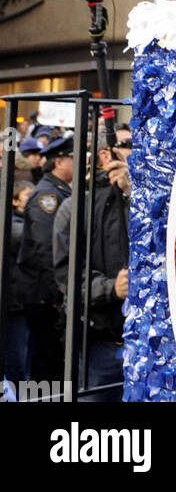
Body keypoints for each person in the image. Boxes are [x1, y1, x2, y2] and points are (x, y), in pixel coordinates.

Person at [53, 140, 131, 402]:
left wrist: (134, 194)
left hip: (144, 340)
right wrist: (111, 288)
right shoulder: (74, 208)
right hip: (100, 341)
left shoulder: (138, 200)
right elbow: (67, 277)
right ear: (105, 156)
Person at [17, 134, 73, 383]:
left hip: (50, 292)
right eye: (72, 157)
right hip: (44, 295)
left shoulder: (59, 190)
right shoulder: (46, 197)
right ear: (59, 162)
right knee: (47, 361)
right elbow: (47, 251)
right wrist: (59, 292)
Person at [4, 182, 34, 390]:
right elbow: (23, 237)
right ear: (14, 201)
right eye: (27, 195)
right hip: (12, 305)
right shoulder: (13, 224)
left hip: (19, 302)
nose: (32, 198)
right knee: (16, 361)